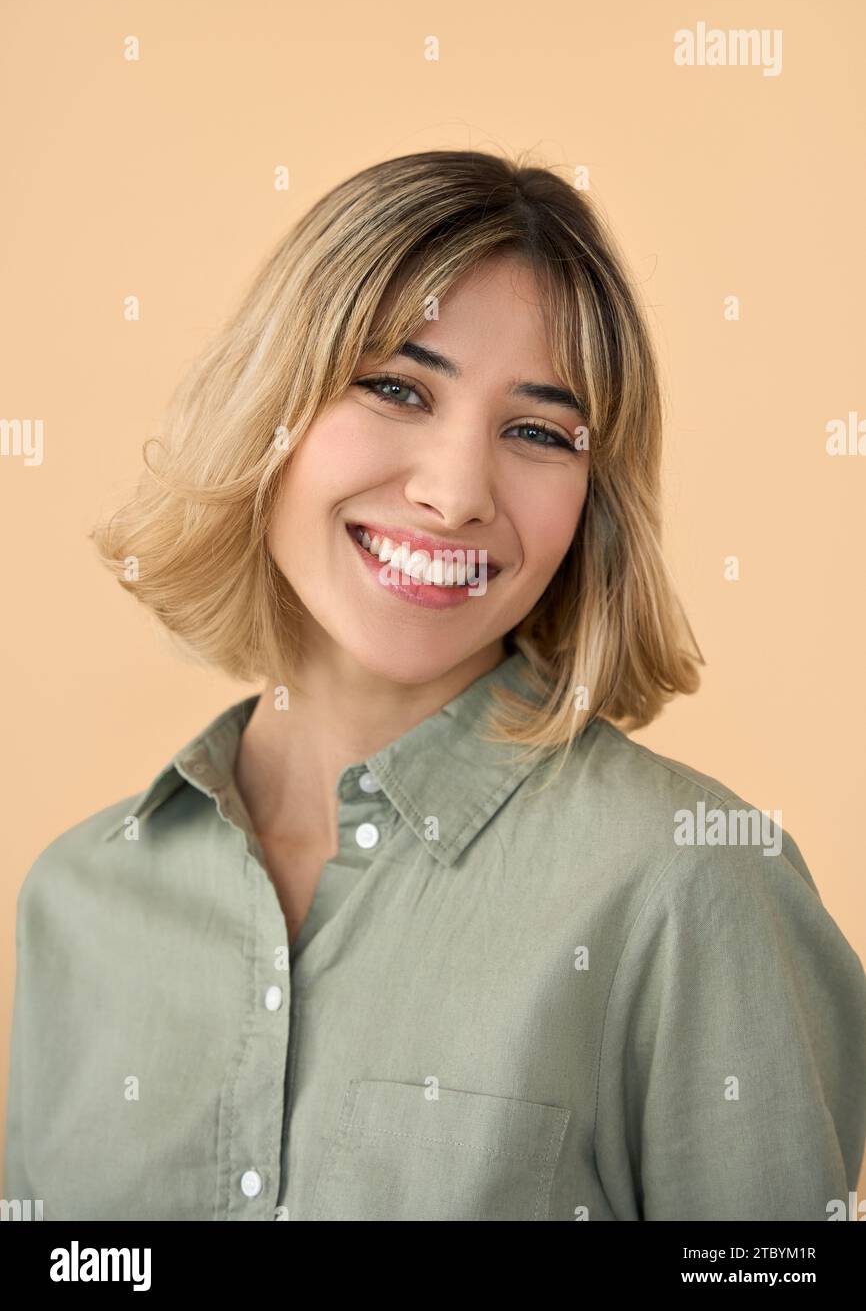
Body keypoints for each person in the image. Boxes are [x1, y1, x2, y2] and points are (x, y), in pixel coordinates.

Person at [3, 150, 865, 1221]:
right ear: (269, 412)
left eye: (538, 432)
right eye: (397, 388)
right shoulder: (81, 899)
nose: (454, 493)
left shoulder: (693, 887)